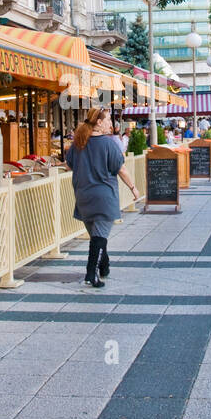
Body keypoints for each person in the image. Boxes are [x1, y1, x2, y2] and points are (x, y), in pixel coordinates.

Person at [67, 106, 138, 288]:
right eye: (107, 120)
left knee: (98, 236)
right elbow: (120, 169)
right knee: (99, 238)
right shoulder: (108, 144)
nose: (110, 124)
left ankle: (104, 267)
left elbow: (70, 165)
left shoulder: (78, 143)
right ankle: (91, 273)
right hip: (103, 197)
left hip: (83, 196)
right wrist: (133, 187)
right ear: (99, 123)